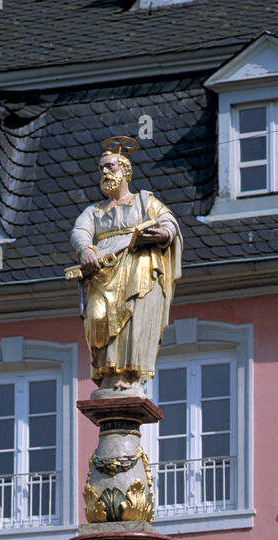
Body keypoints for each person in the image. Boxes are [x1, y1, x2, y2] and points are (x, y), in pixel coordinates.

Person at [70, 139, 182, 393]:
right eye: (102, 169)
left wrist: (164, 234)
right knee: (98, 317)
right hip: (102, 273)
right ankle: (107, 372)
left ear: (125, 171)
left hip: (138, 270)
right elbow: (79, 232)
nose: (105, 172)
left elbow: (168, 221)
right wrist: (86, 249)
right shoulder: (95, 211)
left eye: (110, 167)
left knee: (134, 321)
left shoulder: (144, 202)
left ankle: (128, 375)